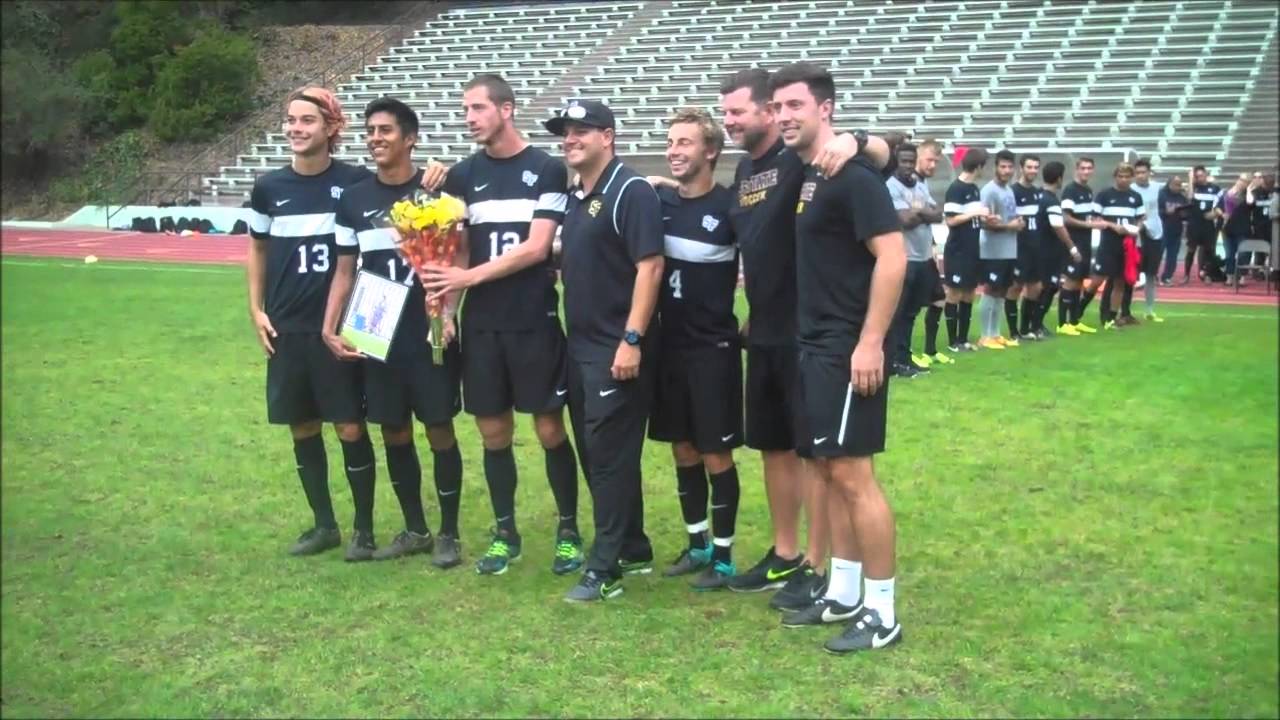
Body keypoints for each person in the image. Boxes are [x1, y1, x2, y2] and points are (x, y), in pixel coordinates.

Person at [714, 67, 889, 610]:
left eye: (738, 111)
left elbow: (884, 153)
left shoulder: (814, 160)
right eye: (724, 112)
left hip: (814, 333)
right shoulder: (749, 171)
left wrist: (856, 139)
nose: (729, 121)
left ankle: (823, 567)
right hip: (767, 328)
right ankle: (792, 556)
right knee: (779, 446)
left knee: (825, 457)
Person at [418, 74, 584, 577]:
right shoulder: (462, 176)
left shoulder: (547, 168)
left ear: (506, 109)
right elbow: (460, 252)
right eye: (465, 110)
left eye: (478, 108)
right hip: (483, 326)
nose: (469, 118)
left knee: (549, 428)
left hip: (534, 320)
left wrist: (468, 276)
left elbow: (537, 247)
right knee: (493, 432)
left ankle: (569, 532)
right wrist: (448, 309)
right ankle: (505, 533)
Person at [769, 62, 906, 653]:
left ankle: (882, 613)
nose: (784, 116)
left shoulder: (854, 176)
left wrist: (870, 341)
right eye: (778, 107)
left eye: (795, 105)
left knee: (854, 476)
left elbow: (893, 257)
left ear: (825, 109)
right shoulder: (809, 174)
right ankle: (844, 592)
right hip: (814, 344)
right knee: (827, 469)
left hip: (847, 348)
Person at [323, 97, 466, 568]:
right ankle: (415, 529)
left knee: (439, 427)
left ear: (410, 139)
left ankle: (449, 534)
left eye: (385, 130)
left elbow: (459, 253)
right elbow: (345, 270)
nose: (375, 139)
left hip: (427, 328)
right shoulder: (354, 199)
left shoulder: (436, 191)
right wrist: (330, 325)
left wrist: (448, 312)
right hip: (375, 328)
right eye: (370, 131)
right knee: (393, 429)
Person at [246, 86, 376, 558]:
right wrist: (256, 309)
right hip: (287, 327)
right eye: (290, 119)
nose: (295, 128)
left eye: (306, 120)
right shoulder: (268, 188)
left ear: (331, 127)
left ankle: (364, 530)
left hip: (337, 328)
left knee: (349, 427)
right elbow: (257, 249)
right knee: (302, 425)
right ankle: (324, 526)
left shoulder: (356, 182)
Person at [547, 99, 664, 602]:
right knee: (598, 452)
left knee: (609, 458)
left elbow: (650, 266)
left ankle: (605, 567)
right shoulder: (577, 195)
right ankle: (633, 545)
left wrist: (632, 339)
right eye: (566, 132)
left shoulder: (629, 190)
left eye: (582, 130)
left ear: (608, 137)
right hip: (580, 346)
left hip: (616, 348)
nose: (570, 139)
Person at [646, 107, 743, 590]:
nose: (673, 151)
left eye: (684, 142)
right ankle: (697, 542)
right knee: (682, 447)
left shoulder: (730, 208)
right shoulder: (659, 203)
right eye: (670, 142)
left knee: (714, 452)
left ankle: (723, 558)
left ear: (711, 150)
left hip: (713, 349)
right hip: (669, 346)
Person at [885, 142, 945, 377]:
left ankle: (904, 357)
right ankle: (893, 361)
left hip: (922, 258)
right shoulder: (891, 186)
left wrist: (917, 211)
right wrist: (923, 212)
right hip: (904, 257)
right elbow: (905, 220)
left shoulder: (920, 186)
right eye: (904, 161)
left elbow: (938, 214)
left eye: (911, 161)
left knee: (911, 312)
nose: (908, 166)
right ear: (896, 162)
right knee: (898, 313)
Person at [942, 147, 992, 353]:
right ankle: (952, 341)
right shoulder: (956, 188)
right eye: (983, 166)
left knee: (969, 293)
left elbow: (971, 216)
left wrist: (985, 218)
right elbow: (951, 220)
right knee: (954, 292)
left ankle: (963, 339)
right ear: (978, 166)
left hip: (973, 249)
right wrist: (975, 213)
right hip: (958, 250)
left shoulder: (974, 189)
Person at [976, 149, 1024, 349]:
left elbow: (1007, 218)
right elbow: (984, 222)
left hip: (1008, 247)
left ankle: (995, 333)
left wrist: (1017, 223)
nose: (1006, 171)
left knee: (1002, 291)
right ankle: (985, 335)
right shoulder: (989, 191)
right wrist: (1009, 226)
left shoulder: (1008, 190)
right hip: (993, 249)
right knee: (991, 289)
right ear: (996, 167)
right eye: (1003, 166)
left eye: (1010, 167)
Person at [1091, 163, 1146, 330]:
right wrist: (1112, 226)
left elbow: (1141, 218)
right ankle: (1077, 312)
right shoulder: (1104, 195)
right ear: (1115, 177)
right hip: (1108, 243)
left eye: (1127, 177)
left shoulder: (1136, 197)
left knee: (1120, 282)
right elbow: (1095, 218)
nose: (1123, 179)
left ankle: (1111, 318)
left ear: (1131, 178)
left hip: (1127, 246)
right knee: (1097, 280)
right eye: (1120, 176)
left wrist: (1136, 229)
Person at [1031, 161, 1082, 337]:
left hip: (1038, 248)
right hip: (1048, 252)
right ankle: (1036, 324)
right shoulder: (1051, 200)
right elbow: (1058, 227)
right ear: (1059, 178)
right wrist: (1072, 248)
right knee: (1049, 287)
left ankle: (1035, 324)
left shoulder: (1039, 196)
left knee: (1046, 287)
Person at [1058, 157, 1107, 334]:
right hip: (1074, 241)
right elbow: (1066, 218)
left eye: (1089, 168)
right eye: (1083, 168)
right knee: (1070, 281)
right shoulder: (1070, 190)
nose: (1086, 171)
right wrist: (1089, 224)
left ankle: (1074, 320)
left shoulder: (1087, 190)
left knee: (1079, 281)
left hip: (1085, 241)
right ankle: (1062, 324)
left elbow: (1083, 216)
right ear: (1077, 170)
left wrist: (1094, 221)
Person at [1011, 153, 1042, 340]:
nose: (1033, 171)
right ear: (1021, 168)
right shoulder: (1013, 191)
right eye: (1029, 167)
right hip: (1018, 247)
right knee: (1015, 286)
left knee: (1035, 287)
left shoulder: (1038, 193)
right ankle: (1013, 331)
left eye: (1036, 167)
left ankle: (1025, 328)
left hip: (1035, 247)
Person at [1132, 159, 1165, 322]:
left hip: (1155, 233)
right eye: (1137, 173)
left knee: (1151, 275)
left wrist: (1189, 180)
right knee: (1131, 275)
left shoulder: (1158, 187)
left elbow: (1178, 190)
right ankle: (1124, 310)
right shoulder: (1131, 189)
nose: (1140, 175)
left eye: (1143, 172)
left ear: (1149, 172)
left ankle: (1149, 310)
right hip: (1137, 234)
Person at [1184, 165, 1223, 284]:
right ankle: (1186, 275)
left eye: (1201, 175)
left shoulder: (1215, 188)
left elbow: (1220, 205)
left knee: (1209, 250)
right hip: (1194, 223)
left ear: (1206, 174)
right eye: (1197, 176)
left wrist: (1215, 213)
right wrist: (1190, 180)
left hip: (1208, 224)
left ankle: (1207, 274)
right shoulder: (1193, 187)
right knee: (1191, 249)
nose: (1200, 178)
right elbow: (1189, 198)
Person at [1219, 173, 1253, 283]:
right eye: (1241, 180)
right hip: (1228, 228)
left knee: (1243, 254)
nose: (1242, 182)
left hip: (1243, 229)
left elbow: (1250, 202)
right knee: (1229, 254)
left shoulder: (1249, 195)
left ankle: (1242, 276)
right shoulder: (1228, 193)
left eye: (1246, 181)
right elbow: (1223, 204)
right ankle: (1229, 275)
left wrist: (1249, 189)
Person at [1157, 175, 1190, 286]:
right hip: (1162, 228)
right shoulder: (1161, 195)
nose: (1178, 187)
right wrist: (1166, 212)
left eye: (1179, 185)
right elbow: (1155, 210)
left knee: (1172, 255)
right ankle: (1153, 275)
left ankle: (1167, 277)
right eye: (1176, 185)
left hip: (1176, 229)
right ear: (1169, 184)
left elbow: (1187, 212)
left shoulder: (1181, 197)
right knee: (1158, 254)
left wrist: (1184, 215)